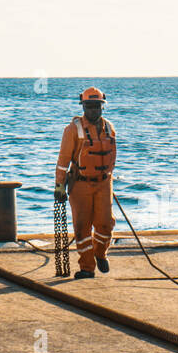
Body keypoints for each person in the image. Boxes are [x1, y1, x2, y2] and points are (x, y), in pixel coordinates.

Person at [54, 87, 116, 280]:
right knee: (82, 227)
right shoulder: (73, 129)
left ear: (102, 107)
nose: (93, 110)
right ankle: (87, 267)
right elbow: (63, 160)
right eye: (89, 106)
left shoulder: (109, 128)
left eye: (97, 106)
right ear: (83, 106)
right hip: (80, 184)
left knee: (106, 224)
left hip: (104, 183)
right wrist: (59, 185)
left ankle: (100, 253)